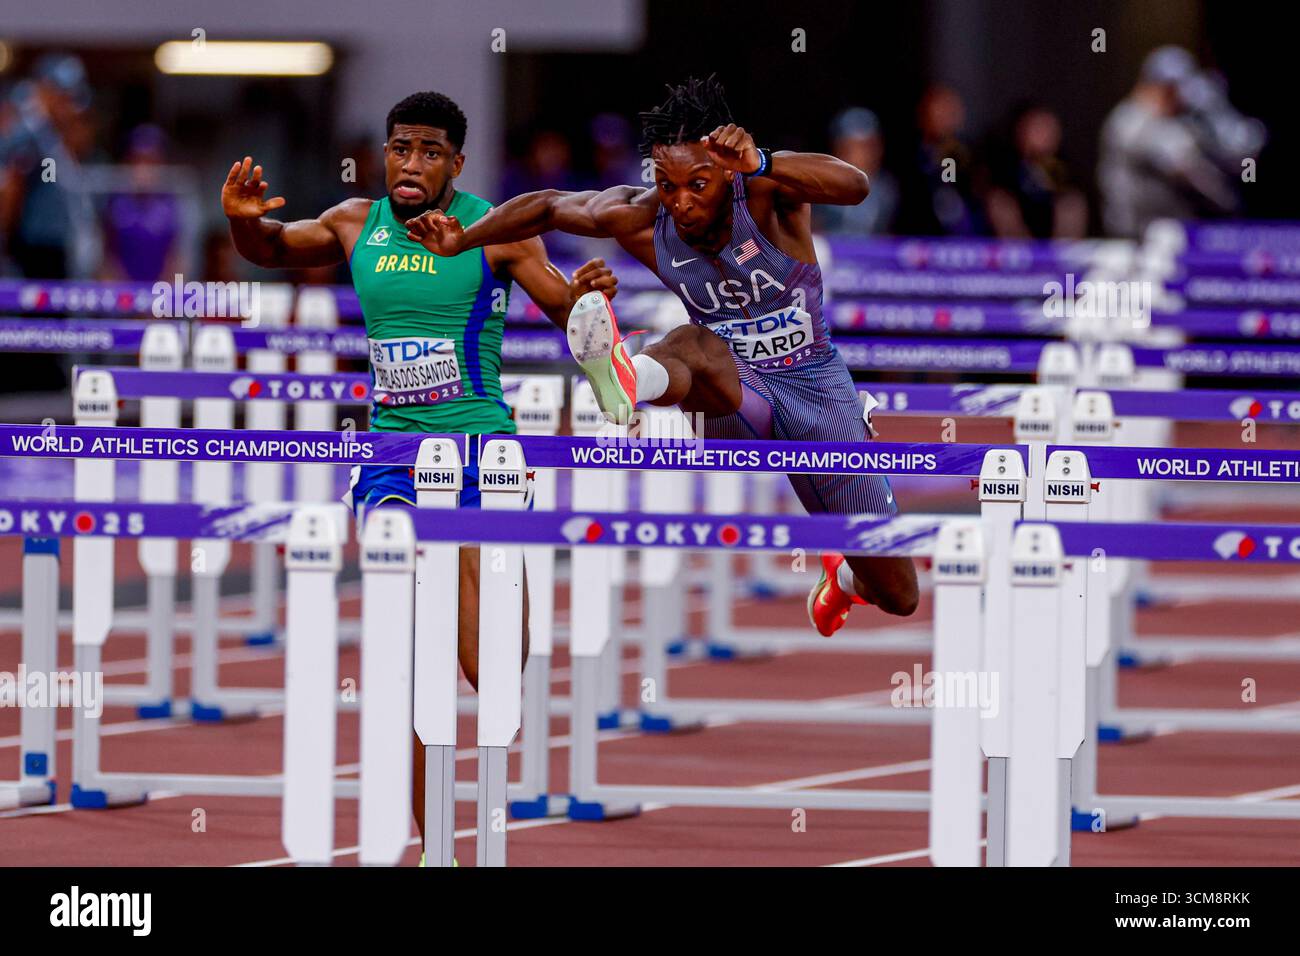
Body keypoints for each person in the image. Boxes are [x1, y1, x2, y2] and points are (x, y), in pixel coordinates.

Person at [221, 90, 617, 849]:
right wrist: (243, 218)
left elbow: (568, 315)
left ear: (456, 164)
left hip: (480, 454)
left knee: (499, 667)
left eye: (430, 152)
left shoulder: (491, 231)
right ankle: (438, 846)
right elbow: (271, 248)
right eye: (401, 147)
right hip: (391, 461)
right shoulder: (352, 222)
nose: (411, 164)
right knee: (406, 663)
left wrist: (589, 300)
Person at [408, 76, 919, 635]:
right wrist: (464, 240)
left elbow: (856, 185)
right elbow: (549, 206)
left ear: (726, 169)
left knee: (899, 594)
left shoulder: (769, 190)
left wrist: (763, 160)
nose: (681, 202)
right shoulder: (641, 217)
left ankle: (844, 577)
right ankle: (629, 378)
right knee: (697, 342)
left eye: (697, 184)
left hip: (817, 387)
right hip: (729, 396)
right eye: (667, 184)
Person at [1098, 46, 1237, 239]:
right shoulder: (1130, 120)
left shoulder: (1169, 121)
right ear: (1163, 87)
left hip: (1167, 233)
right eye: (1175, 90)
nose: (1180, 99)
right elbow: (1185, 168)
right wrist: (1224, 198)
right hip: (1136, 238)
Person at [985, 104, 1087, 239]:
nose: (1044, 136)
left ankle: (1060, 256)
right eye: (1037, 129)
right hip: (1019, 236)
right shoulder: (1006, 167)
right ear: (1020, 131)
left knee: (1072, 202)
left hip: (1054, 235)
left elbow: (1073, 200)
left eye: (1049, 129)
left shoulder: (1066, 168)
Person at [814, 107, 898, 236]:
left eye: (866, 147)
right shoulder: (820, 184)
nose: (859, 155)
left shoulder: (886, 189)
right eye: (850, 147)